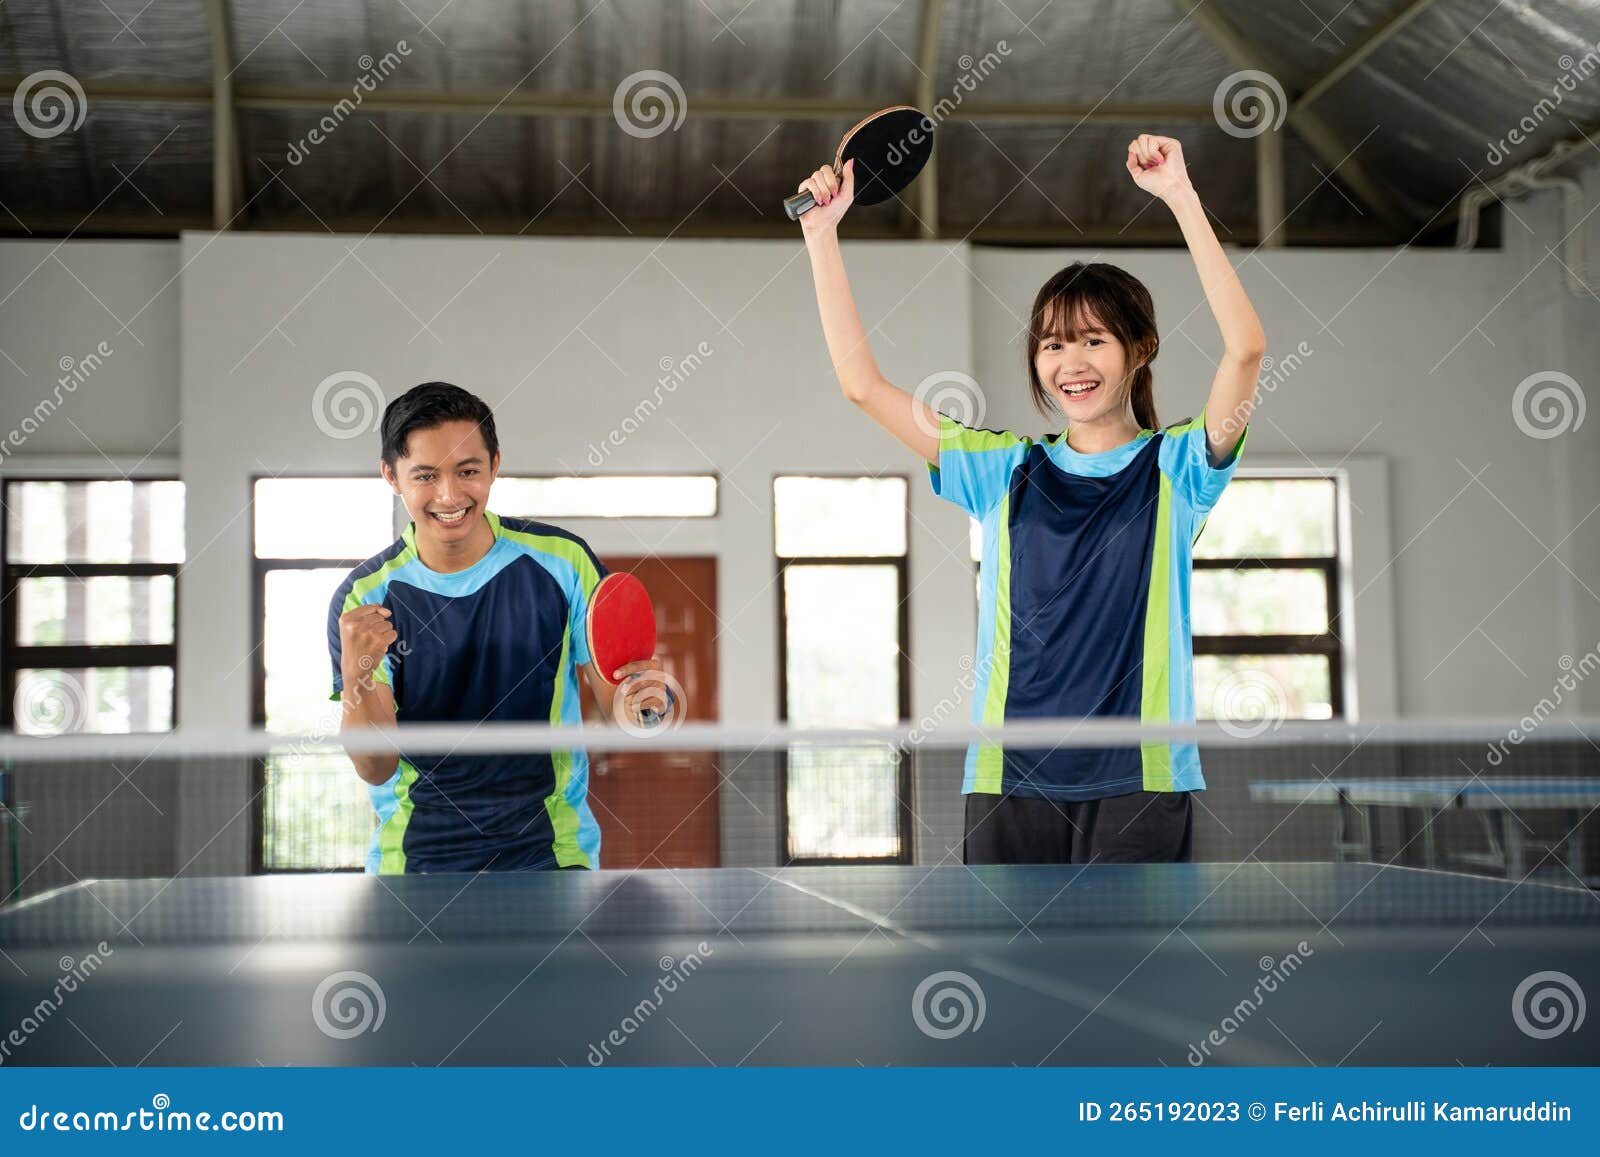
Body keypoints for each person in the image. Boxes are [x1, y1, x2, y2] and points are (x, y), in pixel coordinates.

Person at [796, 134, 1265, 865]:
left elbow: (1246, 349)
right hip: (1009, 774)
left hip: (1139, 778)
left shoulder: (1179, 467)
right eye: (1051, 344)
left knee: (1129, 979)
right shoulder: (1003, 470)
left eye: (1092, 341)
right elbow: (862, 385)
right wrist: (823, 238)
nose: (1069, 362)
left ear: (1139, 349)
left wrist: (1181, 197)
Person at [327, 382, 670, 873]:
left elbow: (619, 711)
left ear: (494, 466)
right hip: (418, 861)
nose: (449, 495)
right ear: (391, 475)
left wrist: (646, 706)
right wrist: (358, 674)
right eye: (425, 475)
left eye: (468, 471)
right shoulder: (365, 598)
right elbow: (375, 766)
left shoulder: (563, 562)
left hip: (550, 854)